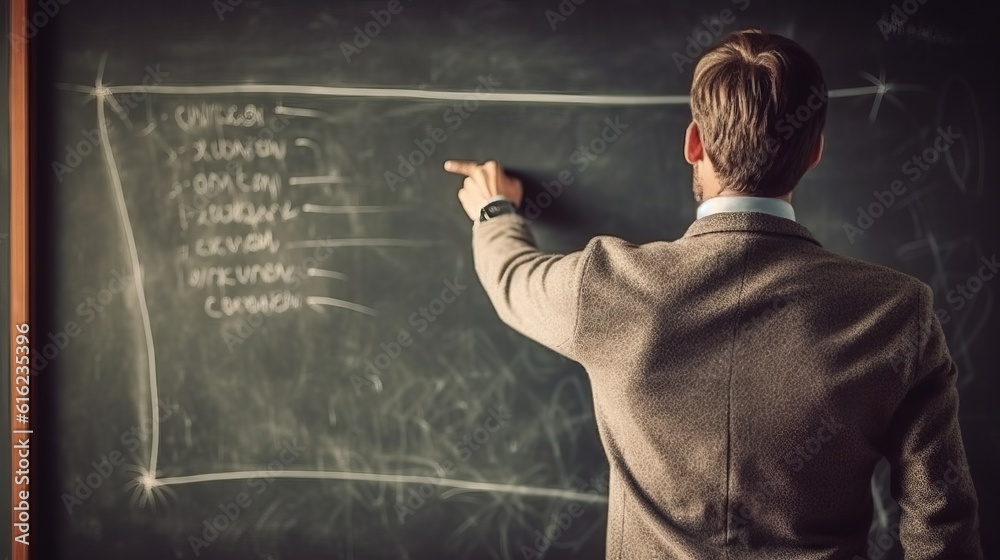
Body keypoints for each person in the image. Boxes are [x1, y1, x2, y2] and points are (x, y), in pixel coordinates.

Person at [443, 28, 982, 559]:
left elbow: (513, 276)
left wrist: (496, 211)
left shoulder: (605, 286)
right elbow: (941, 518)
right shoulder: (895, 312)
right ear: (814, 151)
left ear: (693, 142)